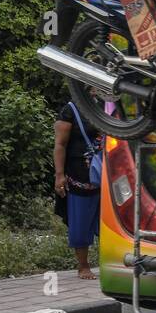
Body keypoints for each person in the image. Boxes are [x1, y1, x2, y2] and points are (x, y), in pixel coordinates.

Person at [54, 101, 103, 280]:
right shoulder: (71, 110)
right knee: (80, 219)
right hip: (80, 175)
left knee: (108, 221)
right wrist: (59, 175)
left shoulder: (109, 106)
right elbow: (60, 144)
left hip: (108, 175)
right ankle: (83, 266)